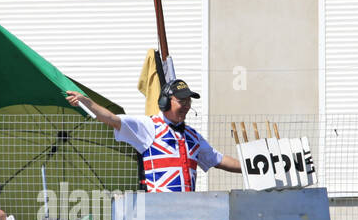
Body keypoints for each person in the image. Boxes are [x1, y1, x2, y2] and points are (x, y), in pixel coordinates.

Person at [66, 80, 241, 192]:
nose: (187, 106)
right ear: (165, 102)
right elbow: (112, 119)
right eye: (182, 101)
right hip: (158, 212)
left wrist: (254, 166)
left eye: (189, 101)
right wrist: (86, 102)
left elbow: (219, 159)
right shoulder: (149, 126)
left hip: (188, 210)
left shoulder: (192, 136)